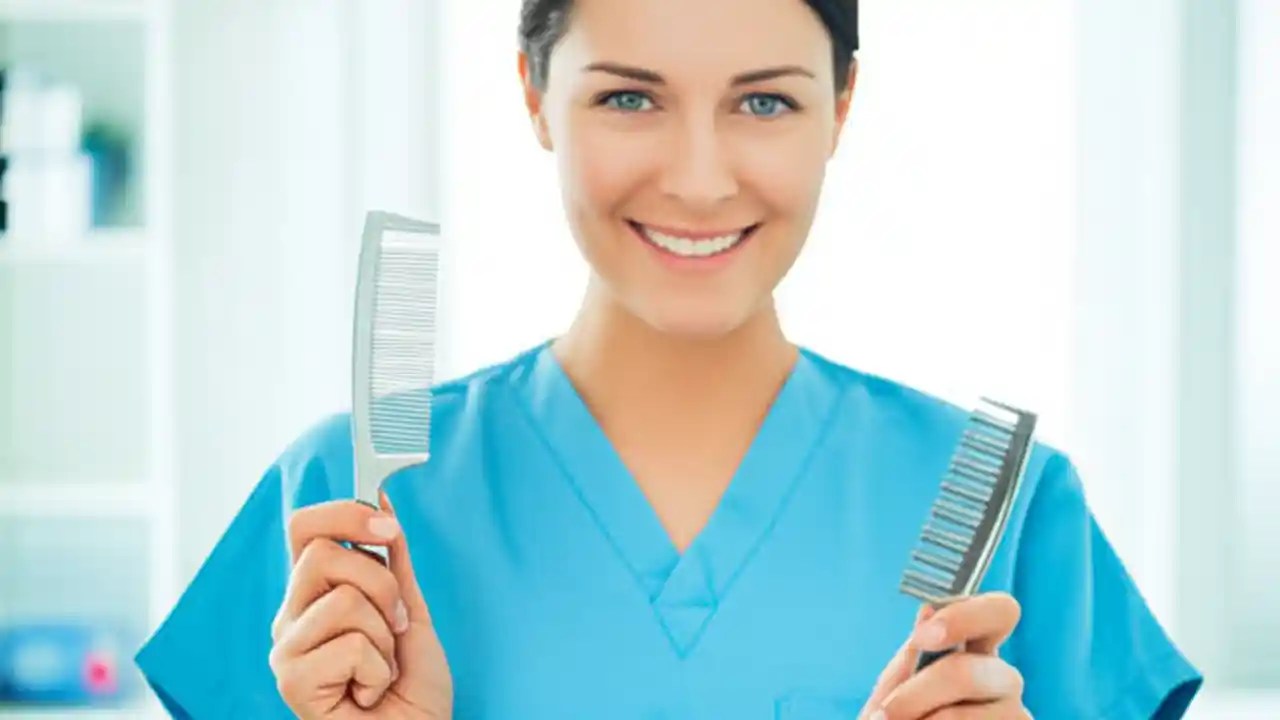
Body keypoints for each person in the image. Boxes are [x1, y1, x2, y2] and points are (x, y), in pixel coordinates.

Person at [134, 0, 1204, 717]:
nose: (698, 181)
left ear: (840, 107)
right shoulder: (347, 502)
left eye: (764, 101)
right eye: (630, 97)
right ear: (531, 94)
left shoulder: (1007, 509)